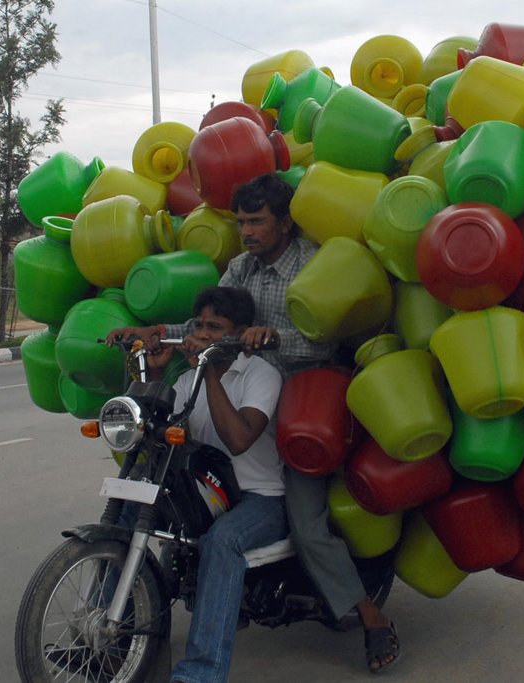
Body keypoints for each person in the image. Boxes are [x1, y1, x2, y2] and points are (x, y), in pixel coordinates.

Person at [108, 173, 400, 673]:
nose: (245, 231)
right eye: (241, 222)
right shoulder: (240, 268)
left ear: (285, 222)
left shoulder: (314, 263)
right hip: (237, 388)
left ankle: (371, 617)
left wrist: (272, 338)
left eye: (256, 221)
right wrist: (156, 332)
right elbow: (211, 323)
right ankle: (117, 632)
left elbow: (327, 339)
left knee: (305, 524)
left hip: (304, 405)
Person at [149, 285, 287, 683]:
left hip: (260, 499)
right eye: (199, 326)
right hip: (208, 495)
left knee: (222, 541)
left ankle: (201, 674)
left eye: (215, 327)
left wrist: (208, 371)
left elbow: (238, 439)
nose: (203, 334)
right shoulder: (187, 379)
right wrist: (155, 373)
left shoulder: (262, 375)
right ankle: (113, 642)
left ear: (239, 333)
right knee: (130, 510)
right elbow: (159, 435)